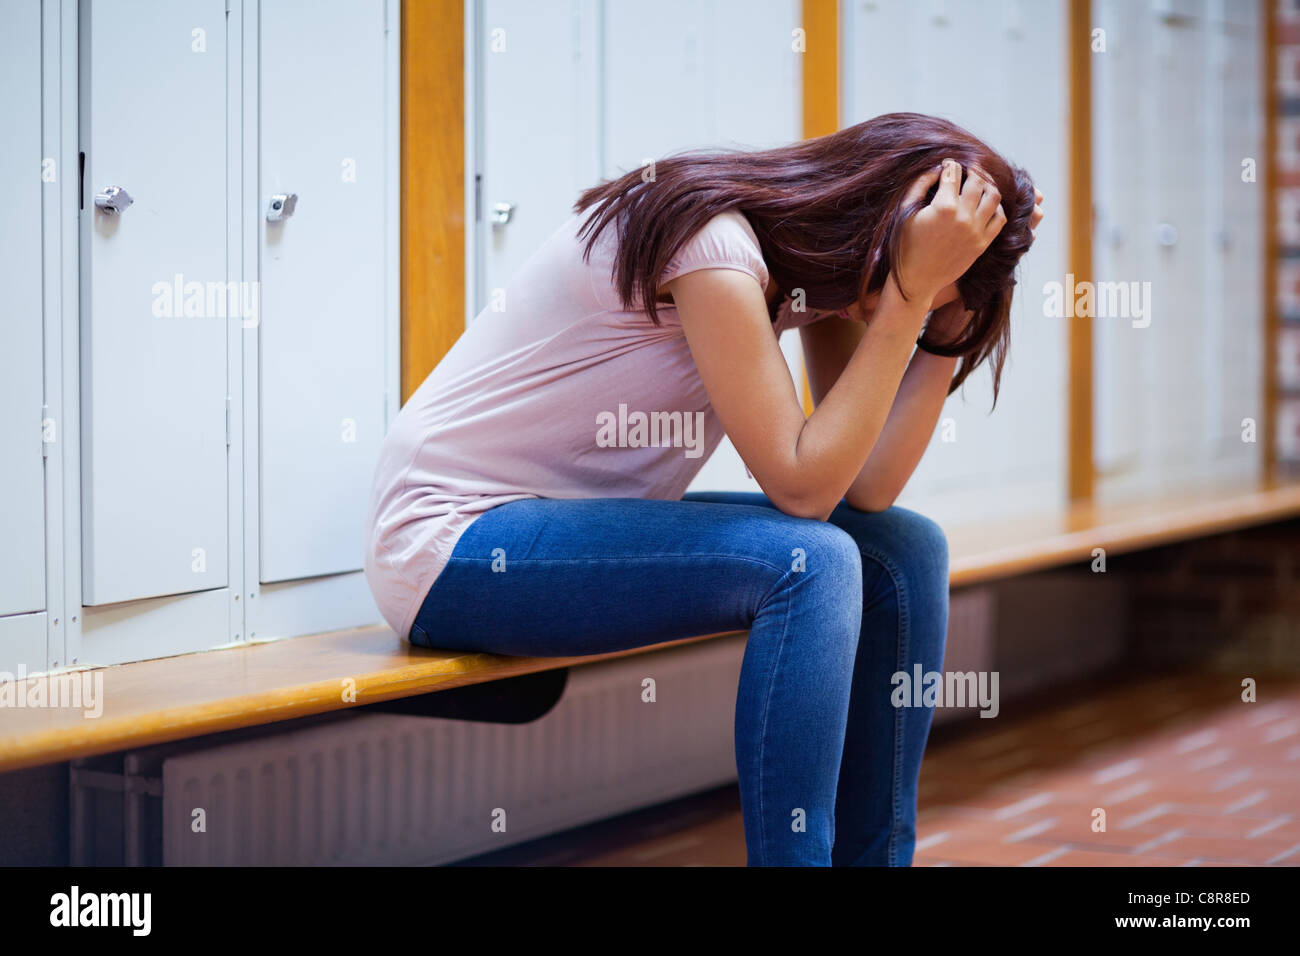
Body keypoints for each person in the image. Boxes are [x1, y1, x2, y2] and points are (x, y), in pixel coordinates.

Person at [365, 112, 1045, 865]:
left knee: (905, 549)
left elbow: (872, 484)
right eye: (909, 274)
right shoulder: (713, 244)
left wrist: (964, 298)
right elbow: (804, 492)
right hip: (452, 541)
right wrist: (908, 301)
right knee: (810, 560)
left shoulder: (816, 280)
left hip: (568, 531)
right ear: (883, 223)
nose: (898, 307)